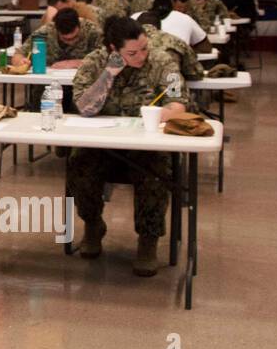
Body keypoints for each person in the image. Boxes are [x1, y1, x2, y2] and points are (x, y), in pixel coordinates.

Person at [70, 17, 190, 276]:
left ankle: (148, 240)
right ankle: (92, 225)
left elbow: (178, 103)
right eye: (132, 52)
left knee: (156, 168)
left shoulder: (161, 61)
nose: (142, 56)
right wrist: (109, 74)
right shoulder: (95, 62)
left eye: (144, 48)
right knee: (80, 161)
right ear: (113, 50)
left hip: (146, 143)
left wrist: (157, 115)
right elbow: (84, 106)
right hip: (104, 144)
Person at [11, 7, 102, 69]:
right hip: (48, 85)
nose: (71, 42)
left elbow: (109, 58)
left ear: (79, 25)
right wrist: (20, 62)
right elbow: (18, 54)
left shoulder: (92, 31)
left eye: (75, 38)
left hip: (82, 86)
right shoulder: (45, 32)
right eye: (66, 39)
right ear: (56, 30)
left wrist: (77, 63)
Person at [136, 0, 207, 48]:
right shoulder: (184, 18)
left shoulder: (135, 16)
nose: (181, 9)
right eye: (179, 7)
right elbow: (205, 47)